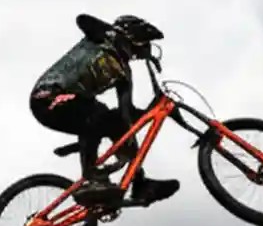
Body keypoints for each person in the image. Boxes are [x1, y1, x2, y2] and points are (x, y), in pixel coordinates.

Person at [29, 13, 180, 208]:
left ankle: (140, 182)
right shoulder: (100, 39)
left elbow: (126, 114)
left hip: (76, 106)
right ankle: (92, 176)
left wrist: (152, 112)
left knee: (118, 124)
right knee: (95, 111)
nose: (134, 54)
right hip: (48, 97)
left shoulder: (124, 74)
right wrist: (112, 31)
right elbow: (81, 19)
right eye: (138, 46)